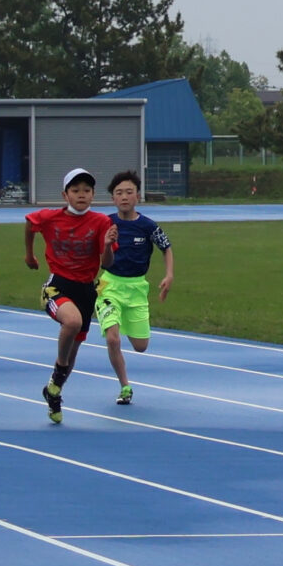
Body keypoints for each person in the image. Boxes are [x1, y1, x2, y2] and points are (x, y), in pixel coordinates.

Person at [24, 168, 118, 424]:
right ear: (65, 194)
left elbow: (107, 263)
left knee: (75, 345)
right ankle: (59, 370)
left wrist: (108, 245)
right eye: (75, 191)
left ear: (93, 195)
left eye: (87, 191)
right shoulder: (50, 217)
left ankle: (54, 390)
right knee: (72, 322)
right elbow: (30, 224)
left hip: (86, 289)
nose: (81, 195)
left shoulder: (101, 222)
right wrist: (29, 254)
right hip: (57, 286)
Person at [95, 171, 173, 405]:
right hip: (110, 285)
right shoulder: (106, 223)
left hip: (137, 288)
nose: (124, 197)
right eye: (119, 193)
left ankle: (122, 322)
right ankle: (125, 386)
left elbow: (166, 247)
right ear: (113, 199)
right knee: (113, 339)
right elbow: (102, 259)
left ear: (137, 196)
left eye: (129, 192)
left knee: (141, 346)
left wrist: (169, 275)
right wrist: (108, 244)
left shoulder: (148, 226)